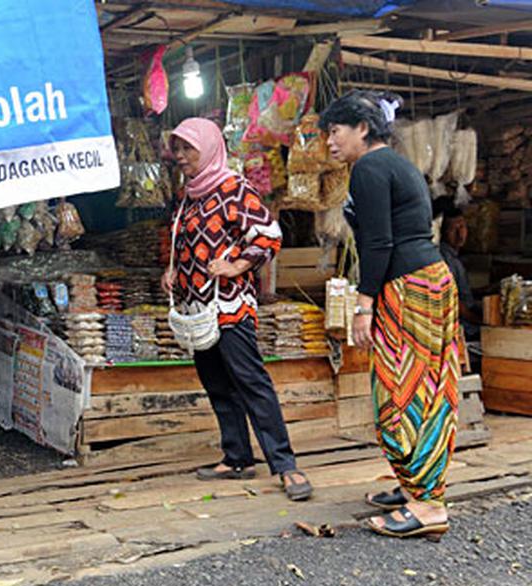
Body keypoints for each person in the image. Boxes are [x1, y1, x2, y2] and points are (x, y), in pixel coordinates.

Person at [320, 91, 459, 541]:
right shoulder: (398, 164)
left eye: (335, 131)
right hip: (432, 278)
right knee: (431, 385)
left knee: (403, 391)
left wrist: (365, 304)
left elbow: (378, 243)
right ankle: (415, 487)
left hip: (407, 287)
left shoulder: (370, 168)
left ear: (363, 127)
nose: (329, 142)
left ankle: (427, 506)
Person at [160, 117, 313, 501]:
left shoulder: (234, 189)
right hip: (197, 306)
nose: (179, 156)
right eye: (176, 148)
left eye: (187, 148)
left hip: (229, 305)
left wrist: (237, 266)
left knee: (250, 380)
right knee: (216, 382)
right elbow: (185, 240)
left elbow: (268, 236)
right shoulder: (189, 194)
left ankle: (286, 465)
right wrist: (173, 269)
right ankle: (237, 456)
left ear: (209, 148)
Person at [438, 207, 483, 343]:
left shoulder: (455, 258)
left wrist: (485, 290)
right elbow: (452, 300)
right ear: (443, 232)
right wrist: (480, 322)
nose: (460, 234)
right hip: (464, 328)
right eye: (453, 229)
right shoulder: (445, 259)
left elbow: (461, 291)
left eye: (462, 227)